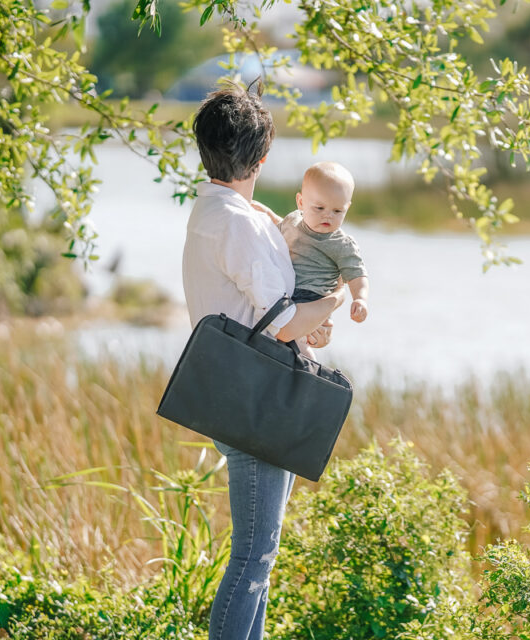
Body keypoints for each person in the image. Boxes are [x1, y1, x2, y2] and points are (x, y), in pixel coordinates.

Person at [182, 83, 346, 640]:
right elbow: (281, 323)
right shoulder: (241, 224)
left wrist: (307, 318)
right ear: (262, 157)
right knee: (254, 557)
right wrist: (334, 300)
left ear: (205, 148)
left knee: (261, 557)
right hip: (254, 399)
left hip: (238, 392)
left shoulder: (214, 210)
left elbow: (267, 308)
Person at [277, 161, 370, 324]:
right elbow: (270, 238)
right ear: (301, 202)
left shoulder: (342, 244)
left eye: (337, 211)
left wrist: (360, 299)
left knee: (300, 338)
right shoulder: (291, 221)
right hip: (281, 287)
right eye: (319, 208)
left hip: (313, 297)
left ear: (347, 208)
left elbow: (358, 275)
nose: (328, 215)